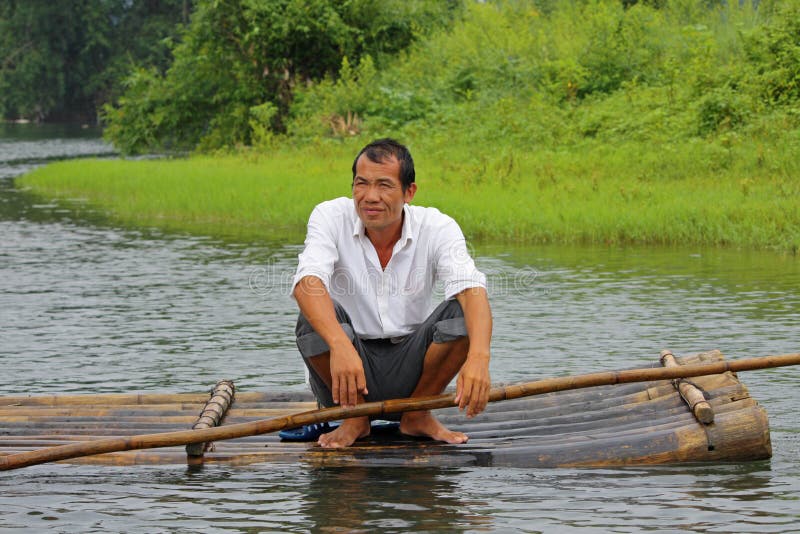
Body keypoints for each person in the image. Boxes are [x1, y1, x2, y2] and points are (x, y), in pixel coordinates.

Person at [292, 138, 492, 448]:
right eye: (362, 184)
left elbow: (471, 290)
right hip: (344, 374)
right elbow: (307, 282)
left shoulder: (437, 226)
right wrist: (339, 345)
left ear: (409, 192)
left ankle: (418, 413)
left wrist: (479, 358)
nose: (370, 197)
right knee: (311, 318)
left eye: (384, 185)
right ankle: (354, 418)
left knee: (460, 315)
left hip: (412, 371)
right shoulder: (330, 216)